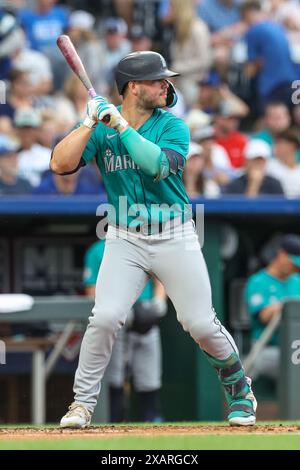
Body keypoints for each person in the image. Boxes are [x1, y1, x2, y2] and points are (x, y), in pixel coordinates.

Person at [52, 51, 257, 428]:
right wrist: (86, 123)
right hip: (124, 236)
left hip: (173, 234)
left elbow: (156, 167)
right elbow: (60, 164)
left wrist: (121, 129)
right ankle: (81, 404)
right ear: (133, 87)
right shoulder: (102, 125)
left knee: (199, 323)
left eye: (165, 79)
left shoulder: (173, 126)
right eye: (156, 80)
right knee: (105, 317)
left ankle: (239, 388)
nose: (166, 84)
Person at [83, 239, 167, 422]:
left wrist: (158, 302)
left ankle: (153, 420)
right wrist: (114, 308)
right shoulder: (98, 250)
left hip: (146, 319)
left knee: (149, 377)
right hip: (117, 322)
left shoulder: (147, 245)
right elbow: (91, 289)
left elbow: (162, 278)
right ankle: (115, 421)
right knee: (115, 377)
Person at [245, 234, 300, 380]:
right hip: (267, 349)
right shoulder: (258, 281)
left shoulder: (297, 281)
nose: (295, 267)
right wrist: (287, 305)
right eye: (292, 262)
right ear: (281, 254)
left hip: (295, 346)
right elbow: (264, 316)